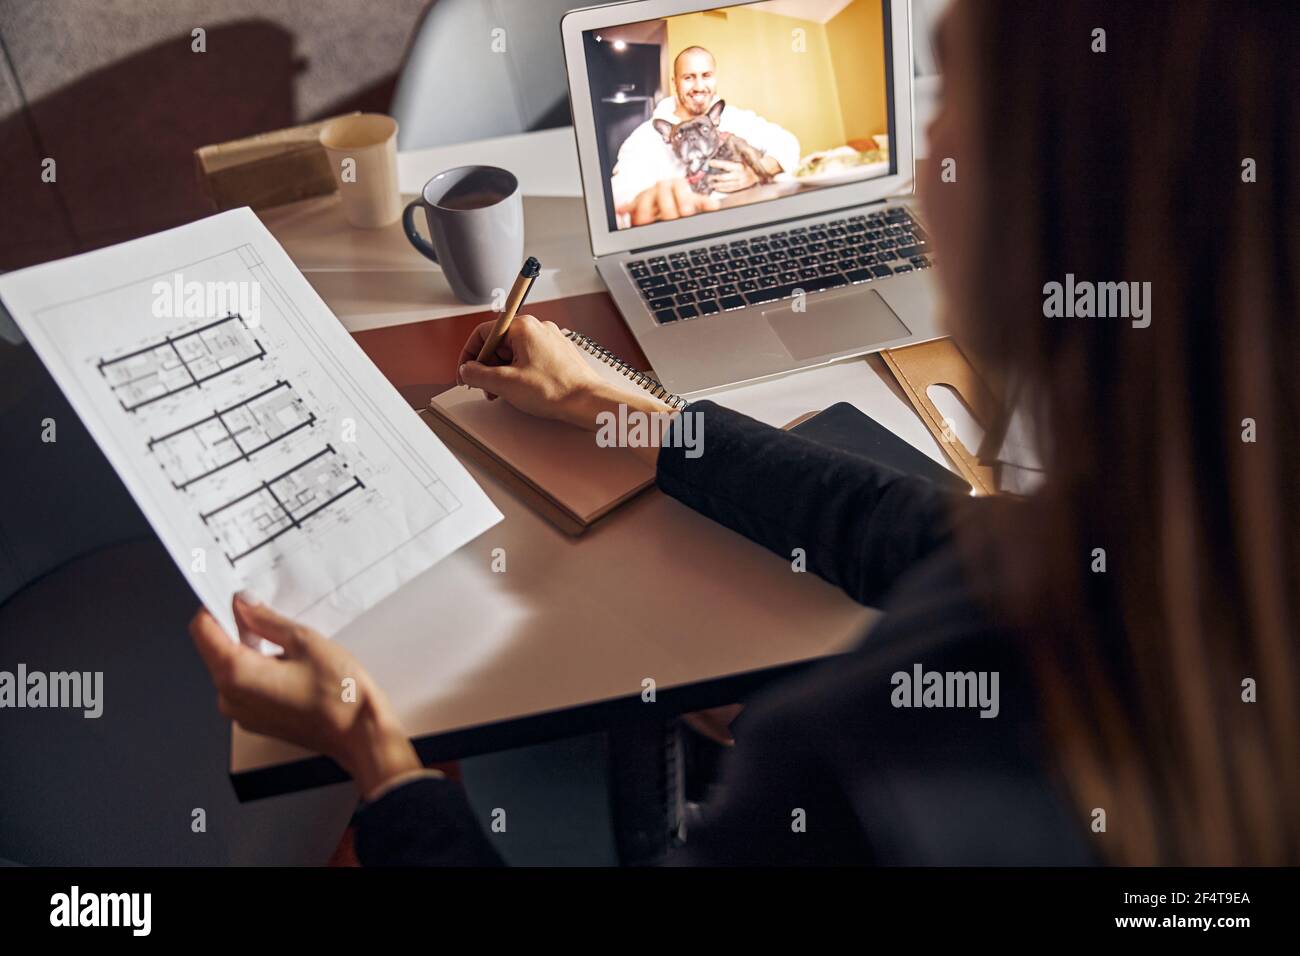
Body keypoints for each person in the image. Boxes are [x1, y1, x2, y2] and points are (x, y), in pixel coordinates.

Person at [190, 0, 1299, 865]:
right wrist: (622, 413)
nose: (921, 151)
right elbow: (936, 534)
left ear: (1046, 205)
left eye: (951, 88)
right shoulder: (1189, 540)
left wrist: (381, 761)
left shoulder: (855, 763)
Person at [610, 46, 800, 226]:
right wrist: (647, 203)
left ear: (715, 79)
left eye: (706, 75)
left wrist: (754, 172)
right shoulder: (644, 137)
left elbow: (788, 144)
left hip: (753, 219)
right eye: (688, 77)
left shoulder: (737, 117)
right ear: (674, 82)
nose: (699, 86)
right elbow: (620, 197)